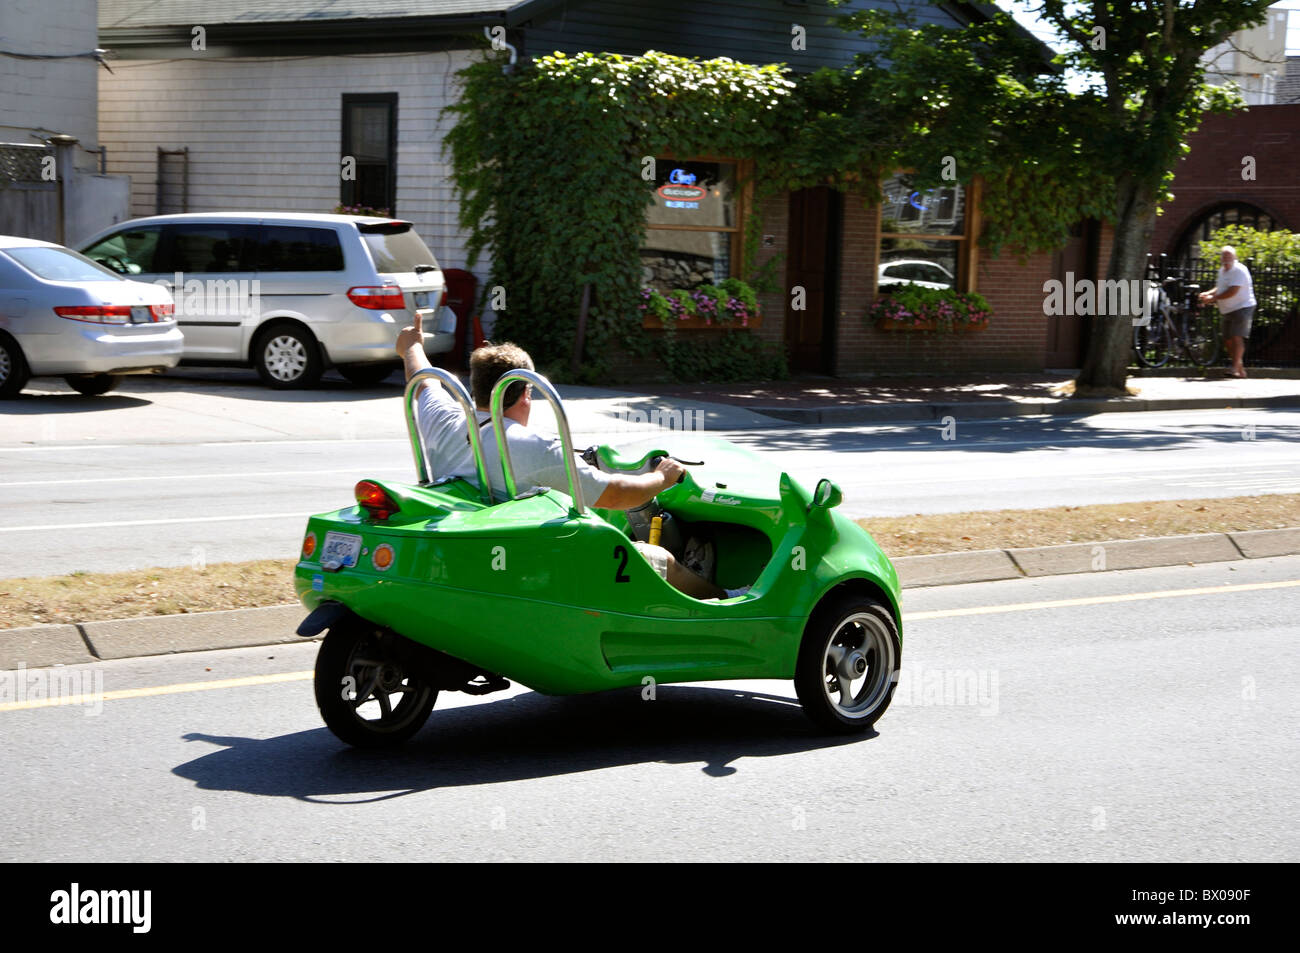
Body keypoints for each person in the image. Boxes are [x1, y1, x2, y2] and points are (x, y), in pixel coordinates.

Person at [396, 313, 742, 600]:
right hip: (533, 567)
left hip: (466, 554)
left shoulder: (444, 420)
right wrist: (661, 478)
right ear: (527, 391)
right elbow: (618, 495)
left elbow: (424, 382)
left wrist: (411, 346)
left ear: (477, 387)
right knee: (659, 558)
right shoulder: (535, 445)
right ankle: (727, 598)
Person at [1198, 246, 1256, 379]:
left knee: (1237, 336)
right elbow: (1221, 287)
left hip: (1243, 306)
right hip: (1227, 309)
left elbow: (1233, 290)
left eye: (1229, 256)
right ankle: (1240, 370)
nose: (1226, 258)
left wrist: (1213, 298)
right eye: (1224, 256)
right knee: (1227, 339)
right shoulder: (1222, 271)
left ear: (1235, 257)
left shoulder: (1239, 270)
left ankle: (1234, 369)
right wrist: (1208, 293)